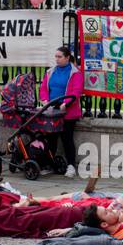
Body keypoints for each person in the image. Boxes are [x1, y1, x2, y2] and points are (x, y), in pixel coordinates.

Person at [40, 45, 83, 177]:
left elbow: (76, 91)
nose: (57, 59)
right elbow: (43, 88)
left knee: (66, 138)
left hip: (68, 112)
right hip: (52, 110)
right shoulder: (51, 71)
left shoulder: (75, 73)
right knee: (51, 138)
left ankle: (71, 166)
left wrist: (66, 104)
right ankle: (50, 165)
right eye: (56, 57)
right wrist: (45, 101)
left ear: (67, 58)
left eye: (60, 57)